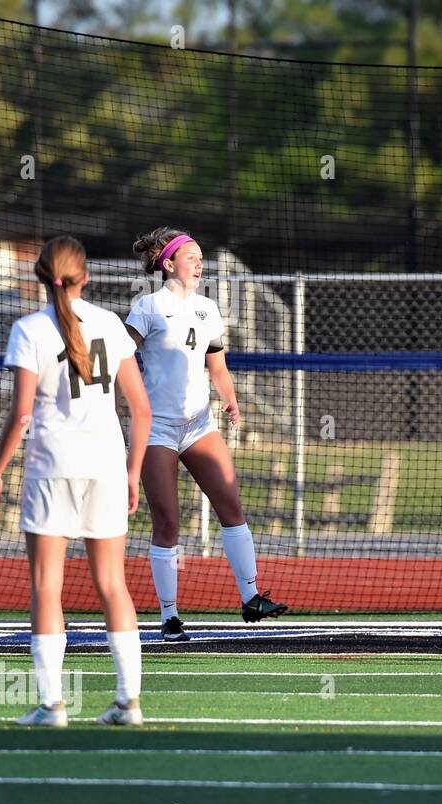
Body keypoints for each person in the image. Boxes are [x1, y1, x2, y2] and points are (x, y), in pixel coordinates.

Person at [0, 236, 153, 726]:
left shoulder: (28, 329)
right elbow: (140, 409)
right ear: (86, 276)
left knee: (46, 587)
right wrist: (133, 472)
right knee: (112, 584)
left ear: (39, 276)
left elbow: (19, 417)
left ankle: (52, 706)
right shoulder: (109, 323)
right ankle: (128, 704)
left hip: (51, 467)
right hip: (104, 465)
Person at [126, 228, 286, 642]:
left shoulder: (208, 309)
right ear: (169, 264)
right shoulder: (148, 307)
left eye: (201, 257)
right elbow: (123, 362)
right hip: (157, 426)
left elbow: (218, 368)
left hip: (199, 423)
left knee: (231, 503)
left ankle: (252, 599)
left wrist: (230, 399)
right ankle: (170, 617)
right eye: (191, 257)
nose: (199, 263)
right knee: (168, 521)